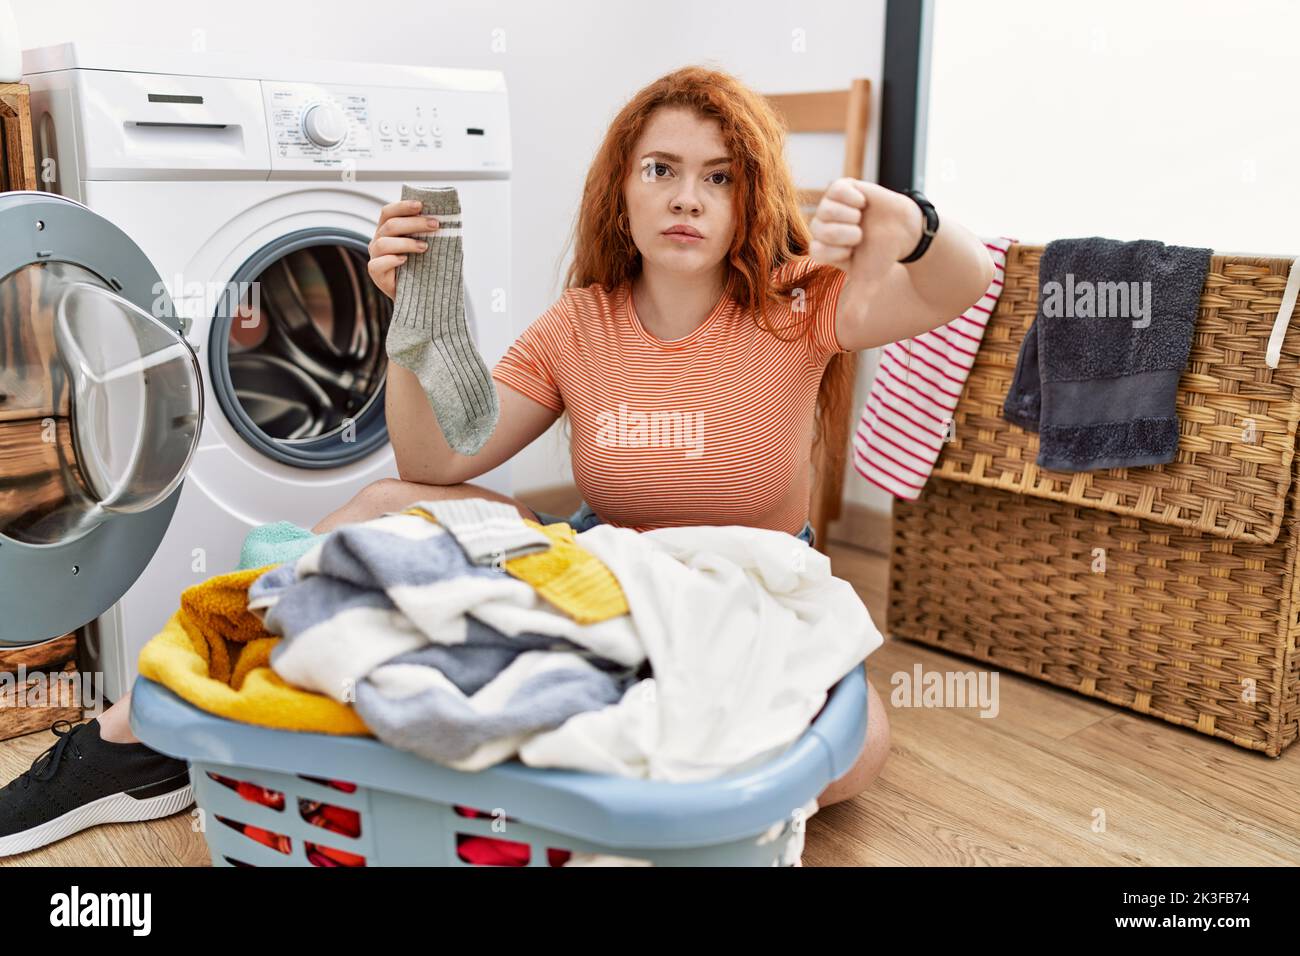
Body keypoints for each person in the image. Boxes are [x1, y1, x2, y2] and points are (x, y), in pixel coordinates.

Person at [0, 64, 992, 858]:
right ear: (622, 188)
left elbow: (956, 286)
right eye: (661, 169)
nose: (688, 196)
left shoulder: (797, 299)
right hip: (602, 574)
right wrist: (406, 319)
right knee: (380, 497)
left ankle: (566, 783)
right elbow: (438, 456)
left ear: (749, 197)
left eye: (719, 174)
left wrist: (917, 230)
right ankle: (144, 731)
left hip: (747, 587)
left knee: (856, 749)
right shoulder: (580, 322)